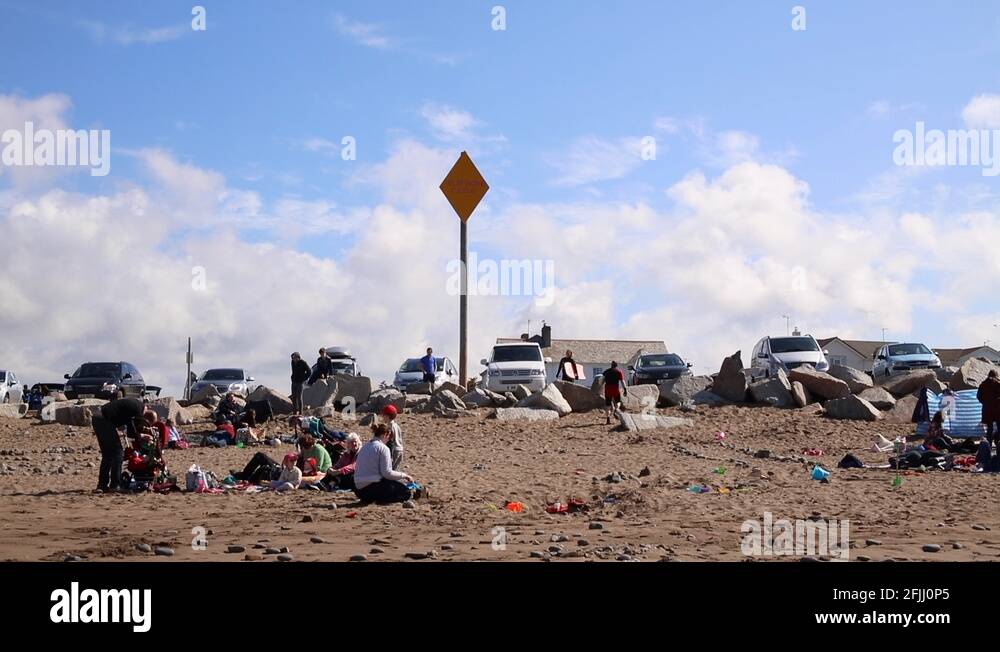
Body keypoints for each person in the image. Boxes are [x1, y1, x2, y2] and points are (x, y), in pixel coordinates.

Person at [90, 397, 155, 493]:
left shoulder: (135, 405)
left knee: (107, 454)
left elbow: (130, 429)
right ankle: (115, 485)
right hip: (104, 419)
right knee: (118, 452)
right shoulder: (139, 410)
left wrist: (140, 433)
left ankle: (102, 485)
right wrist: (143, 435)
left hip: (97, 417)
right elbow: (133, 432)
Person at [353, 424, 414, 504]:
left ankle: (374, 499)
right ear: (385, 435)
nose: (388, 440)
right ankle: (381, 499)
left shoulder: (365, 447)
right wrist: (404, 475)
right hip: (371, 488)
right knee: (405, 492)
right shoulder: (383, 448)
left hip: (358, 490)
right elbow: (386, 473)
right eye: (388, 437)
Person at [977, 369, 1000, 450]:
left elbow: (979, 397)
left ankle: (989, 445)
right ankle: (998, 444)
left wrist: (985, 402)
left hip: (987, 409)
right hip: (997, 409)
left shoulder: (983, 384)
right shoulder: (998, 383)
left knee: (989, 429)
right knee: (999, 426)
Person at [380, 405, 404, 470]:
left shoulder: (389, 427)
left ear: (387, 416)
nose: (382, 417)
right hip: (400, 449)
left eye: (383, 415)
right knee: (396, 469)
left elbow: (390, 442)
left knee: (391, 470)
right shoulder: (397, 426)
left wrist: (389, 455)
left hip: (394, 450)